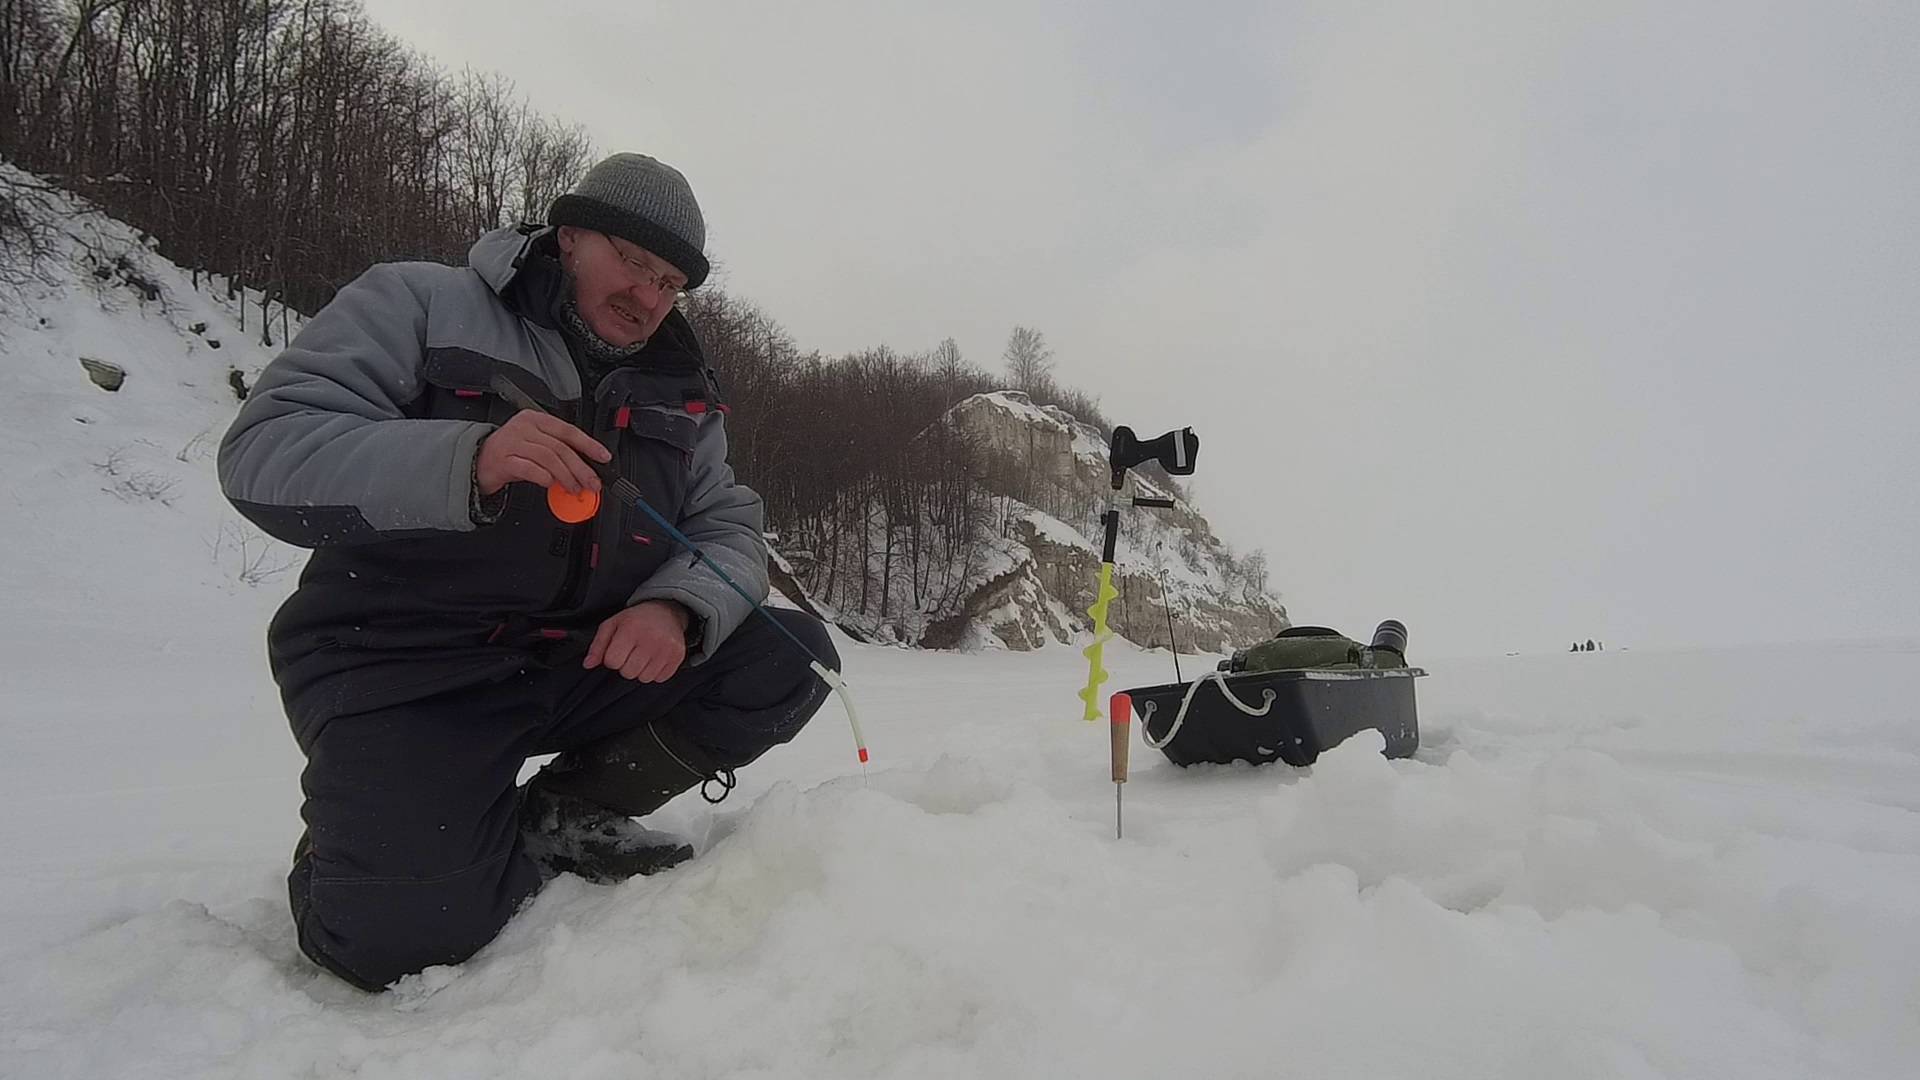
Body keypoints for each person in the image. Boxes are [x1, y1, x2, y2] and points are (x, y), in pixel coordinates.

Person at [218, 153, 840, 991]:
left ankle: (563, 813)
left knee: (790, 653)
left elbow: (729, 527)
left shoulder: (684, 389)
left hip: (577, 662)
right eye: (631, 261)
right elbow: (266, 451)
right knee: (395, 942)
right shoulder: (418, 302)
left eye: (668, 283)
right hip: (404, 664)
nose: (648, 298)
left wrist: (678, 610)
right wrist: (467, 460)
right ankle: (379, 836)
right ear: (570, 235)